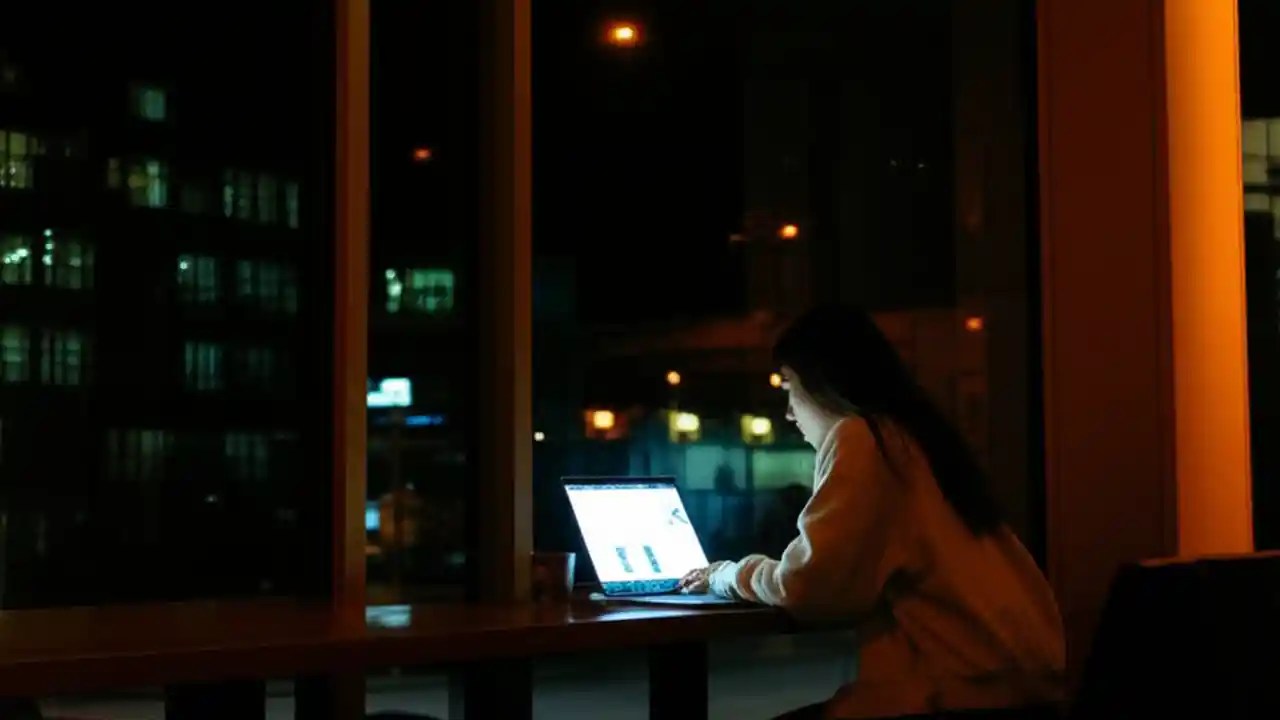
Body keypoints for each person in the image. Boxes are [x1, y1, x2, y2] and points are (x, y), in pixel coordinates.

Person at [679, 305, 1065, 720]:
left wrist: (727, 576)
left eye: (789, 386)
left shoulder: (865, 439)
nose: (788, 412)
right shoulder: (920, 441)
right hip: (1016, 688)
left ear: (825, 383)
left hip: (957, 695)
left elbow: (810, 588)